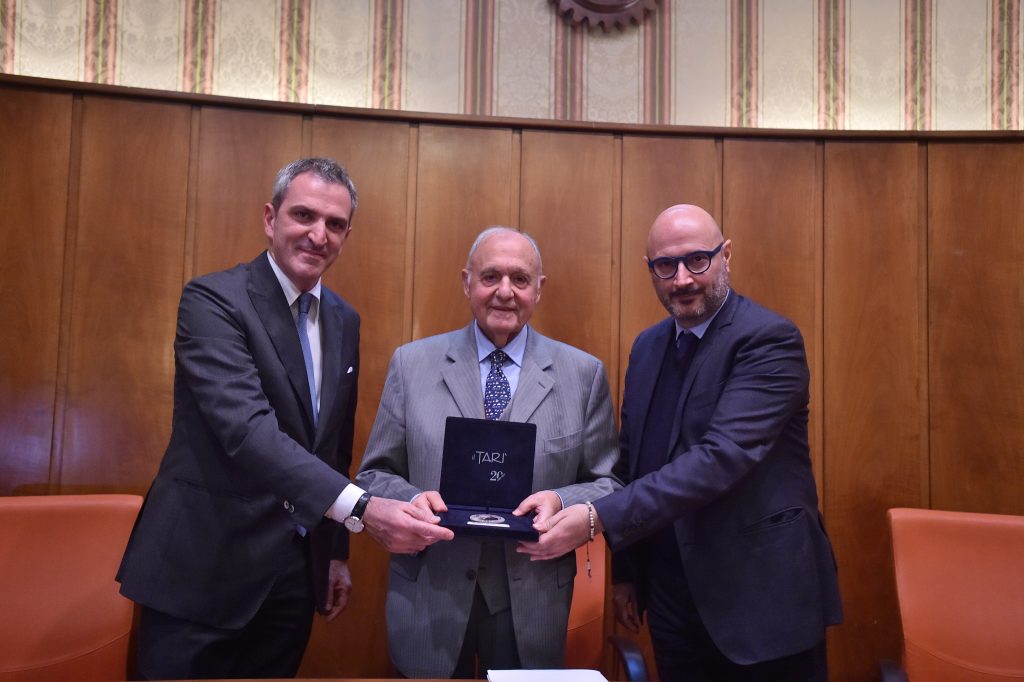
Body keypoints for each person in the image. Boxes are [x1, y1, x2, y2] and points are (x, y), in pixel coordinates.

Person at [116, 158, 453, 680]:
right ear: (270, 219)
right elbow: (247, 431)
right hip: (202, 570)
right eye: (304, 216)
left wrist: (335, 551)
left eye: (335, 224)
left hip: (294, 576)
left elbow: (332, 443)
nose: (319, 235)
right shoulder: (213, 300)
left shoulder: (344, 319)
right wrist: (360, 510)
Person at [521, 205, 842, 681]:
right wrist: (628, 572)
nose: (683, 279)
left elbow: (720, 459)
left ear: (726, 254)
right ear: (649, 269)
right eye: (665, 266)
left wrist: (595, 519)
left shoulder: (768, 341)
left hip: (762, 598)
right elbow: (634, 462)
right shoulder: (649, 347)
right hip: (674, 598)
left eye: (698, 260)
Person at [356, 226, 621, 678]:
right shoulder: (412, 364)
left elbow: (609, 483)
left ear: (539, 288)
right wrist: (409, 500)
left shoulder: (583, 375)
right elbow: (374, 474)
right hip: (430, 591)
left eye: (520, 279)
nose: (504, 292)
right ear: (466, 282)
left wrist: (562, 500)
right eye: (490, 276)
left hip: (532, 596)